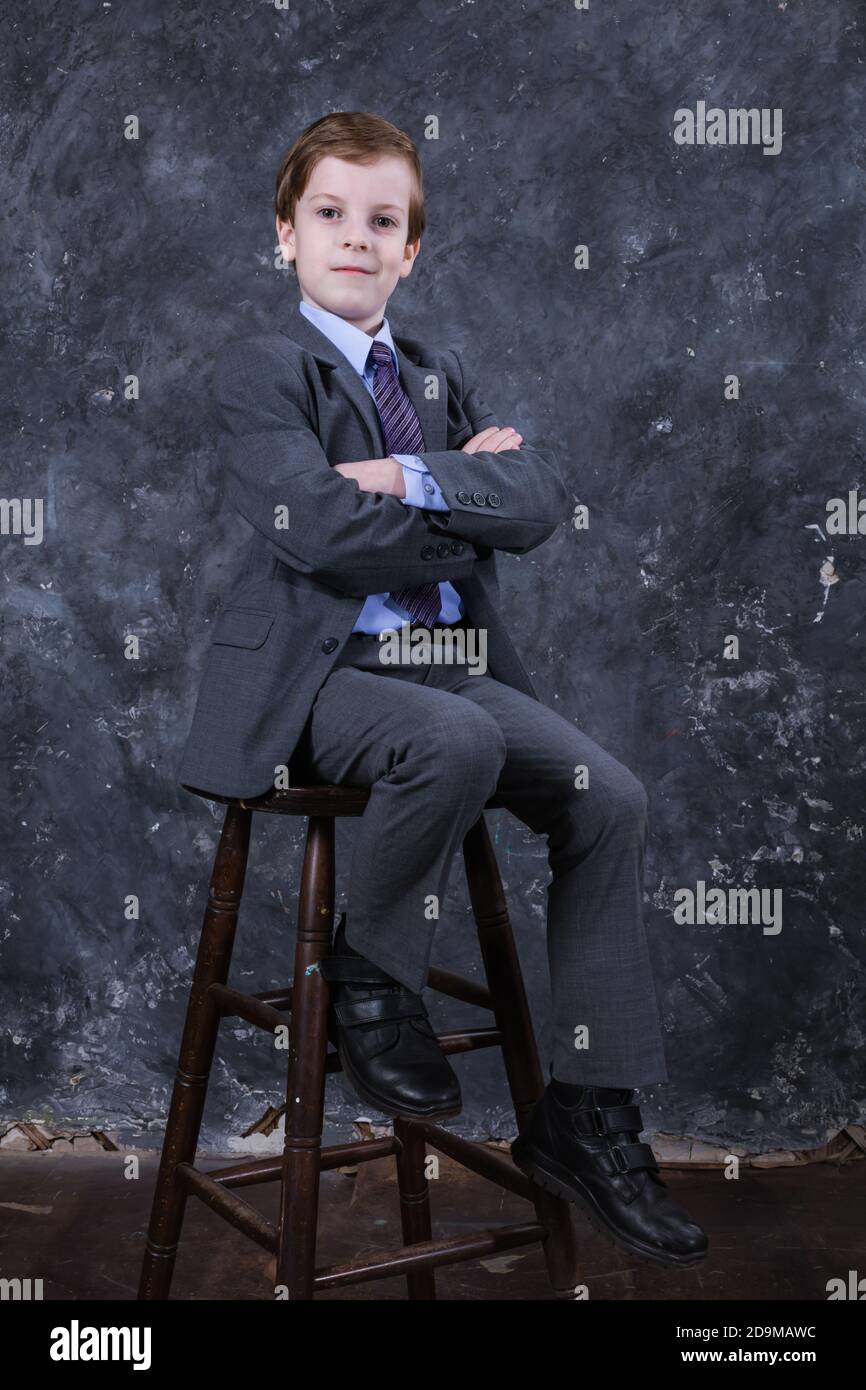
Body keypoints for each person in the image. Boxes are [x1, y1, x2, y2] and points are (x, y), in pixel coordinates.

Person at [178, 110, 708, 1269]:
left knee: (607, 796)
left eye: (383, 222)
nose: (355, 239)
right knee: (452, 743)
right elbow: (313, 530)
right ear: (286, 235)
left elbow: (537, 499)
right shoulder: (262, 369)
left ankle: (585, 1107)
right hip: (321, 685)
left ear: (410, 250)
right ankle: (369, 968)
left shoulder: (430, 374)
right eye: (331, 215)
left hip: (447, 672)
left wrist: (407, 472)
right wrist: (460, 503)